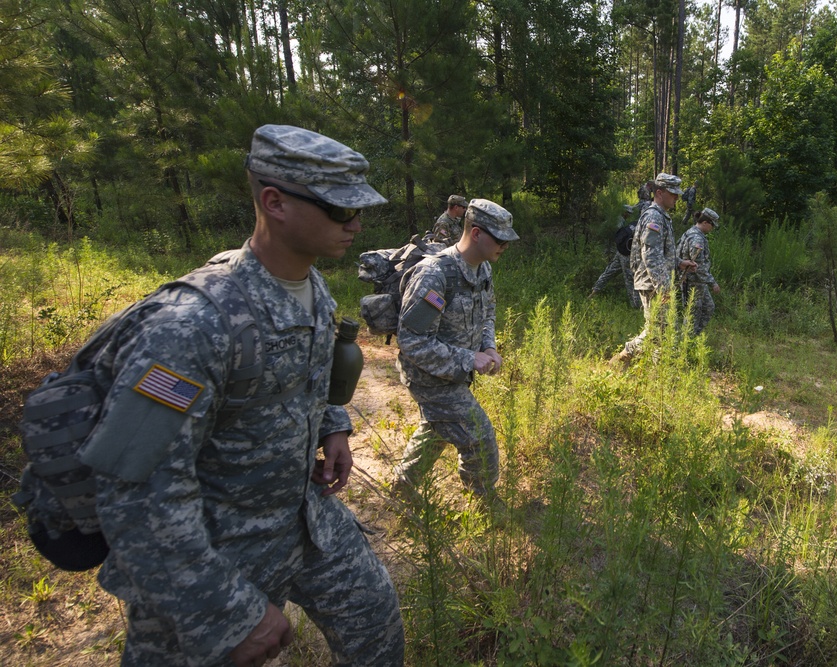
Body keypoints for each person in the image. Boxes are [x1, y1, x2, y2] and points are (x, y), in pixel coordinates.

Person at [80, 125, 404, 666]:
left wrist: (333, 426)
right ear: (274, 203)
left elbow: (306, 374)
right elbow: (134, 492)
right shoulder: (190, 325)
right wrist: (224, 610)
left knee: (376, 629)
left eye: (358, 209)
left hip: (302, 516)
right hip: (211, 549)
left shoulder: (312, 287)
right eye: (339, 209)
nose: (355, 224)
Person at [392, 199, 517, 507]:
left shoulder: (483, 269)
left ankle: (402, 486)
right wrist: (468, 358)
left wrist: (488, 346)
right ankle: (484, 502)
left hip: (454, 373)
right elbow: (413, 341)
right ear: (476, 233)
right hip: (427, 375)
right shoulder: (435, 275)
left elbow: (488, 312)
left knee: (436, 428)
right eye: (499, 239)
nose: (505, 246)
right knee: (478, 435)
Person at [612, 173, 697, 364]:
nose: (677, 197)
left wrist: (679, 262)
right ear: (659, 193)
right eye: (673, 193)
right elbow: (650, 256)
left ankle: (632, 360)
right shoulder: (654, 217)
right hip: (652, 282)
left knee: (660, 328)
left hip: (655, 281)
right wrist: (663, 287)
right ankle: (645, 365)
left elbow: (661, 251)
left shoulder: (661, 216)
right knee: (659, 329)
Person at [589, 183, 652, 308]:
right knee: (630, 280)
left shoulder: (633, 215)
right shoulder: (645, 215)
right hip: (629, 252)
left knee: (609, 271)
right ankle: (636, 306)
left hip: (621, 250)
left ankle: (594, 292)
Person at [676, 208, 721, 335]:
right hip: (692, 281)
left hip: (699, 282)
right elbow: (698, 266)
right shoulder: (696, 238)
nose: (712, 228)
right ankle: (687, 340)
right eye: (712, 225)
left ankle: (694, 336)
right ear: (705, 222)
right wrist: (713, 283)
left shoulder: (694, 233)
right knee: (692, 314)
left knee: (708, 307)